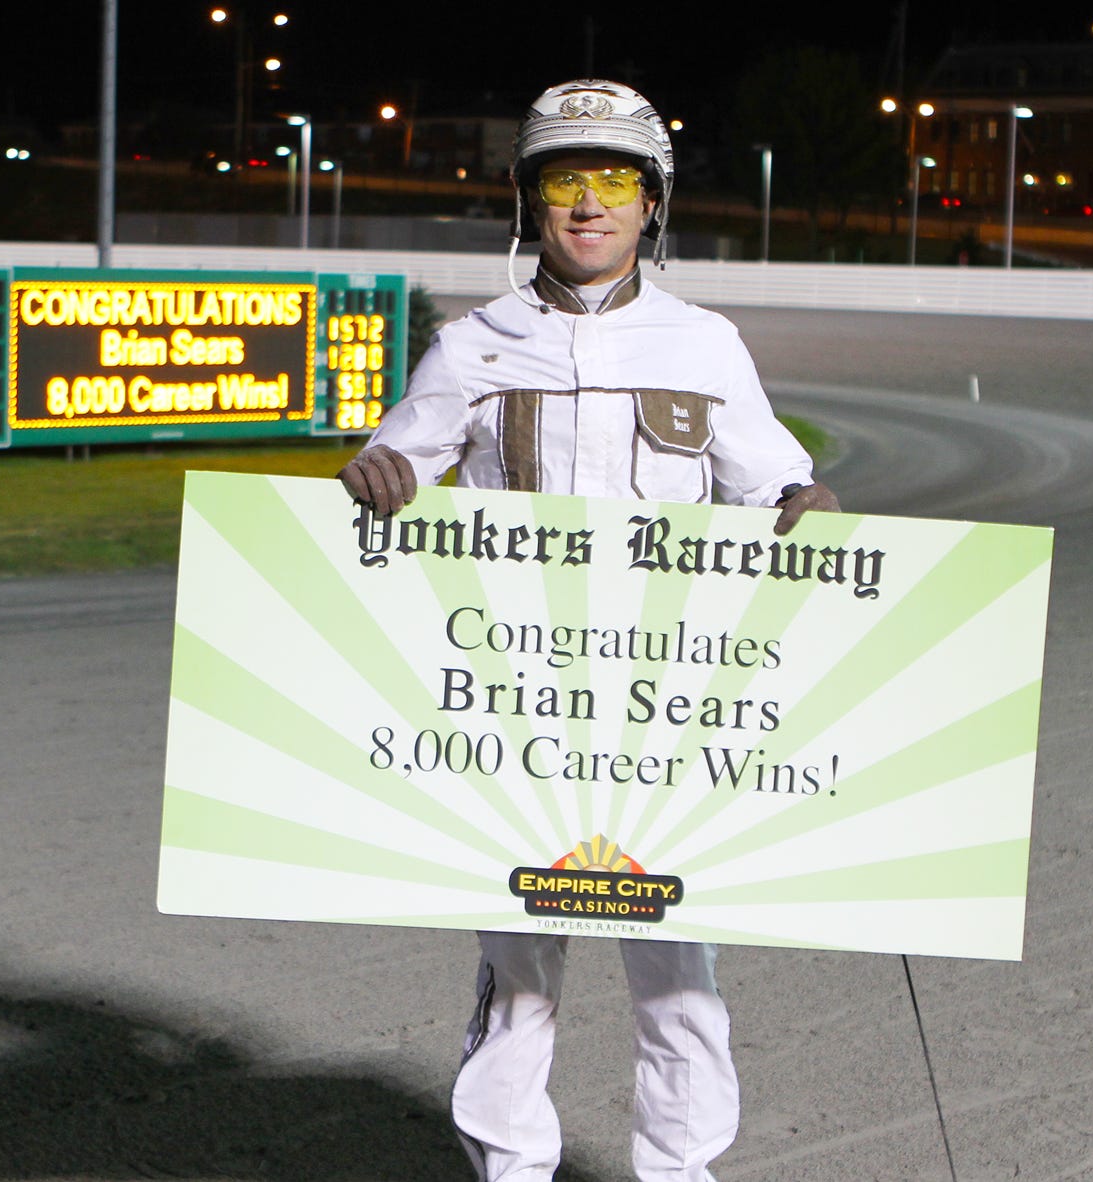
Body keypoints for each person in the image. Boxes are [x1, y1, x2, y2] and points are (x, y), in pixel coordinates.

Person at [340, 79, 838, 1182]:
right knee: (517, 983)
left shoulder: (704, 345)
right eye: (565, 180)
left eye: (614, 180)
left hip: (665, 719)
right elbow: (400, 467)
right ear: (528, 199)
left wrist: (807, 504)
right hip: (515, 714)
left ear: (651, 204)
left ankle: (679, 1172)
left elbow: (772, 484)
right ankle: (510, 1173)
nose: (588, 205)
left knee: (679, 981)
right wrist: (378, 473)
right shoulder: (470, 347)